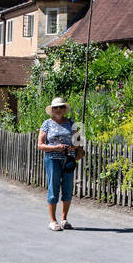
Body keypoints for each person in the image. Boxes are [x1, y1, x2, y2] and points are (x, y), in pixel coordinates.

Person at [38, 97, 83, 231]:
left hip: (68, 159)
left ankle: (64, 220)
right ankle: (52, 221)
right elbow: (40, 145)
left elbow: (78, 142)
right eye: (56, 107)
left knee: (68, 189)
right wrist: (55, 147)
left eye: (61, 107)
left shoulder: (71, 122)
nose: (58, 109)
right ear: (52, 110)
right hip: (52, 159)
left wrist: (72, 148)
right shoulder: (46, 123)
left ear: (64, 109)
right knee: (53, 189)